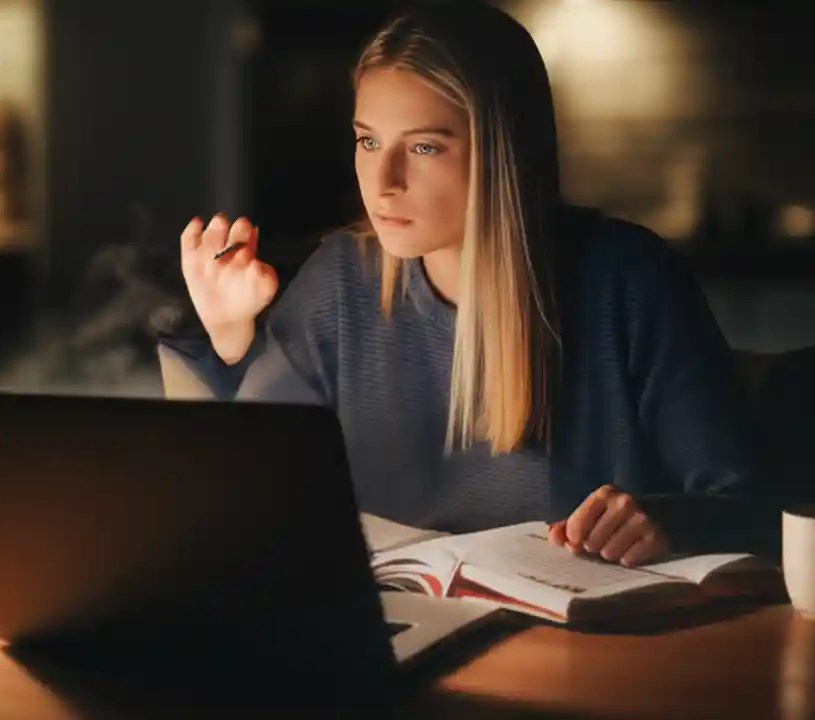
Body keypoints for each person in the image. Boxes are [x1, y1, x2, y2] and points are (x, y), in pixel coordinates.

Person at [158, 1, 775, 565]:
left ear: (501, 152)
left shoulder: (628, 283)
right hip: (401, 636)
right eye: (368, 141)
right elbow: (251, 495)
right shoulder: (342, 280)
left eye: (424, 148)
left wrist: (667, 520)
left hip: (587, 653)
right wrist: (233, 336)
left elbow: (755, 507)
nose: (383, 181)